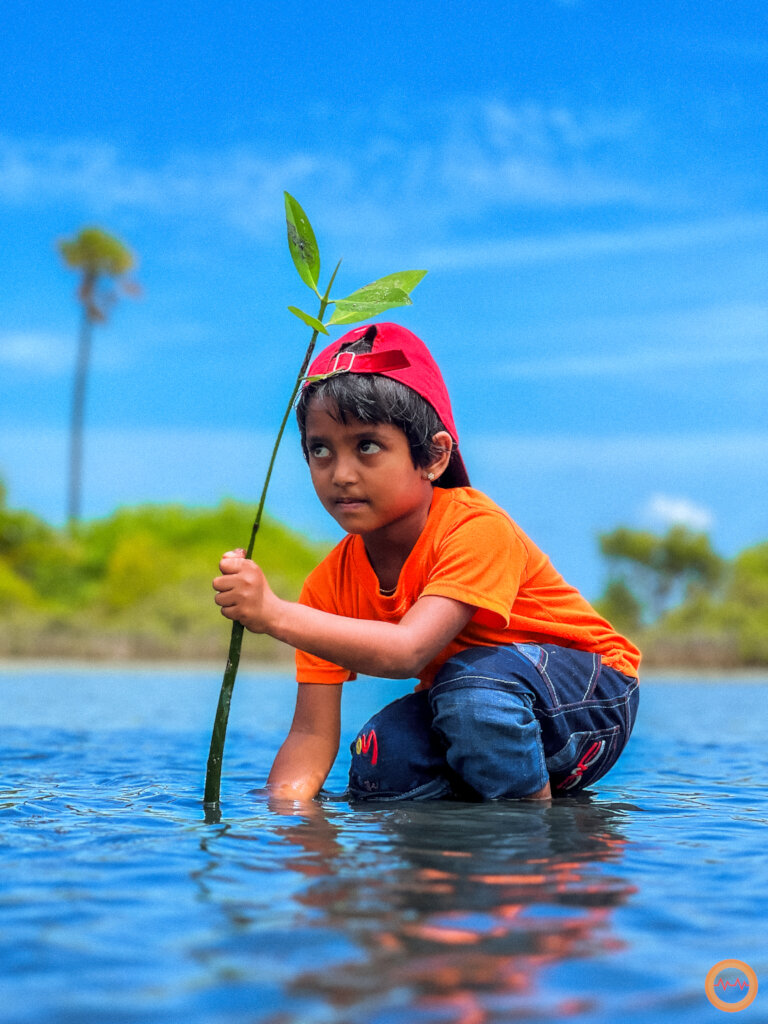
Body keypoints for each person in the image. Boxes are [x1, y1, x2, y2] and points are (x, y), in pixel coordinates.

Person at [213, 322, 641, 804]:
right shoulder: (329, 585)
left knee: (472, 694)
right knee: (381, 757)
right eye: (320, 450)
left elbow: (408, 651)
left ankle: (529, 842)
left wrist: (273, 614)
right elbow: (311, 735)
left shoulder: (474, 527)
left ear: (434, 457)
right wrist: (282, 816)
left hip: (591, 696)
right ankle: (489, 825)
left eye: (367, 446)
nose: (341, 474)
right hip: (480, 708)